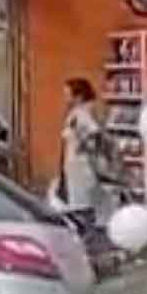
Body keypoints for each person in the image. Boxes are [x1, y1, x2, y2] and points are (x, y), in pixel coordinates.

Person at [59, 78, 113, 223]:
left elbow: (94, 134)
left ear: (79, 96)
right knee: (83, 202)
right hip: (78, 166)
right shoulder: (79, 111)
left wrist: (82, 148)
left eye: (68, 94)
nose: (65, 98)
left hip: (81, 167)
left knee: (82, 204)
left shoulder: (82, 113)